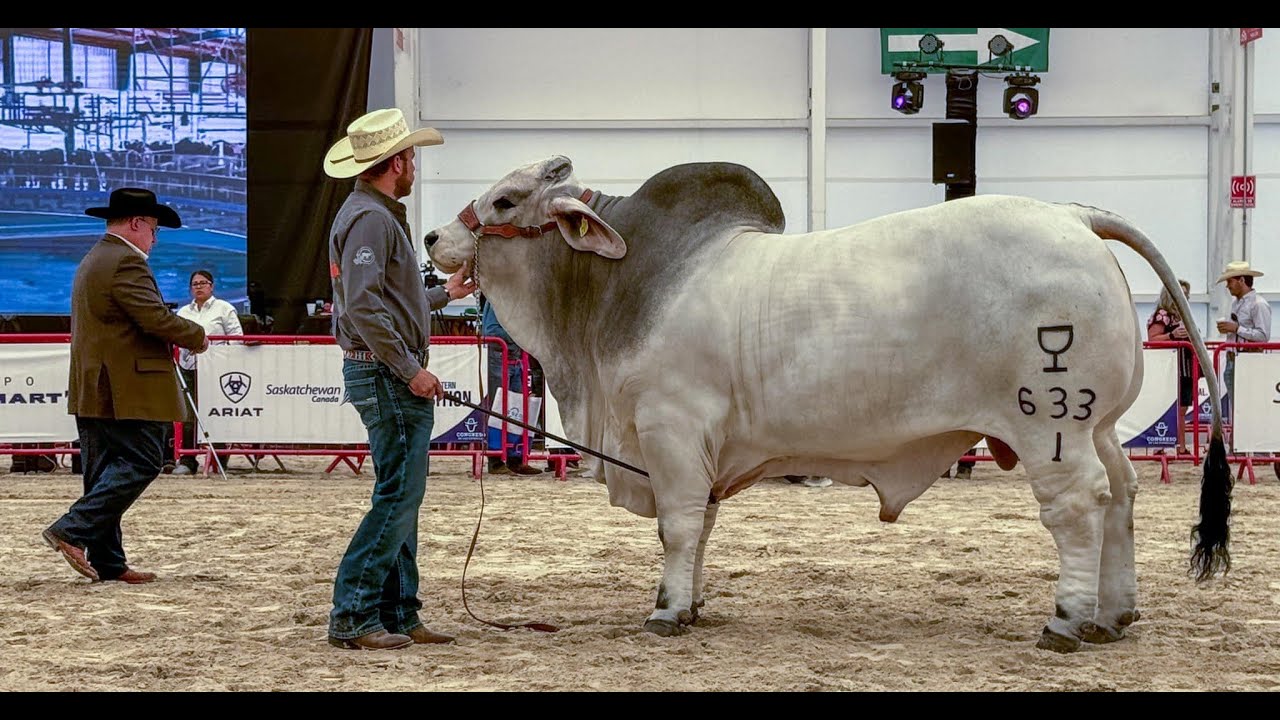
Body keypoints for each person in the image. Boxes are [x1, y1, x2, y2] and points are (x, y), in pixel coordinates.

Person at [323, 108, 474, 650]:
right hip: (387, 374)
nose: (414, 166)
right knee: (398, 497)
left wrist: (443, 295)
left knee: (401, 496)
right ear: (395, 163)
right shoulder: (373, 219)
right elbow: (363, 306)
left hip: (381, 370)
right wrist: (411, 370)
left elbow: (383, 298)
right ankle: (355, 613)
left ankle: (398, 611)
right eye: (410, 157)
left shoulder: (372, 214)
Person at [42, 188, 208, 584]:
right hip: (126, 388)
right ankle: (71, 528)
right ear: (136, 224)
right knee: (143, 461)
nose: (155, 238)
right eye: (153, 229)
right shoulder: (125, 263)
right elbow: (154, 319)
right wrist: (197, 334)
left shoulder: (95, 258)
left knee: (103, 473)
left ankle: (109, 561)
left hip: (95, 386)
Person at [171, 269, 244, 474]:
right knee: (188, 413)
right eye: (195, 284)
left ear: (211, 286)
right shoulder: (184, 311)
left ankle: (219, 458)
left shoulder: (224, 308)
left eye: (203, 283)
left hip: (217, 371)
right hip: (189, 368)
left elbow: (237, 338)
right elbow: (175, 335)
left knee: (216, 413)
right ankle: (187, 459)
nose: (199, 286)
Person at [480, 296, 544, 475]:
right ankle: (496, 459)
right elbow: (490, 330)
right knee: (499, 407)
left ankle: (515, 457)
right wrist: (520, 334)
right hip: (501, 356)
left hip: (514, 357)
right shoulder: (497, 299)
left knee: (517, 406)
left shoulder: (508, 299)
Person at [1215, 261, 1272, 452]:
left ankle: (1253, 446)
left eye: (1230, 281)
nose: (1228, 285)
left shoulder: (1258, 305)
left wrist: (1236, 329)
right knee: (1238, 405)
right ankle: (1242, 444)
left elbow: (1263, 337)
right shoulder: (1239, 303)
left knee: (1249, 404)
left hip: (1249, 360)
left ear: (1241, 280)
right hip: (1237, 359)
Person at [1147, 279, 1195, 455]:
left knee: (1182, 407)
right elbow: (1153, 339)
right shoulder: (1162, 315)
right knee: (1173, 408)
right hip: (1170, 368)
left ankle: (1178, 446)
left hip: (1184, 367)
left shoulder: (1183, 316)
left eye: (1186, 294)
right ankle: (1172, 447)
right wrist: (1172, 335)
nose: (1185, 297)